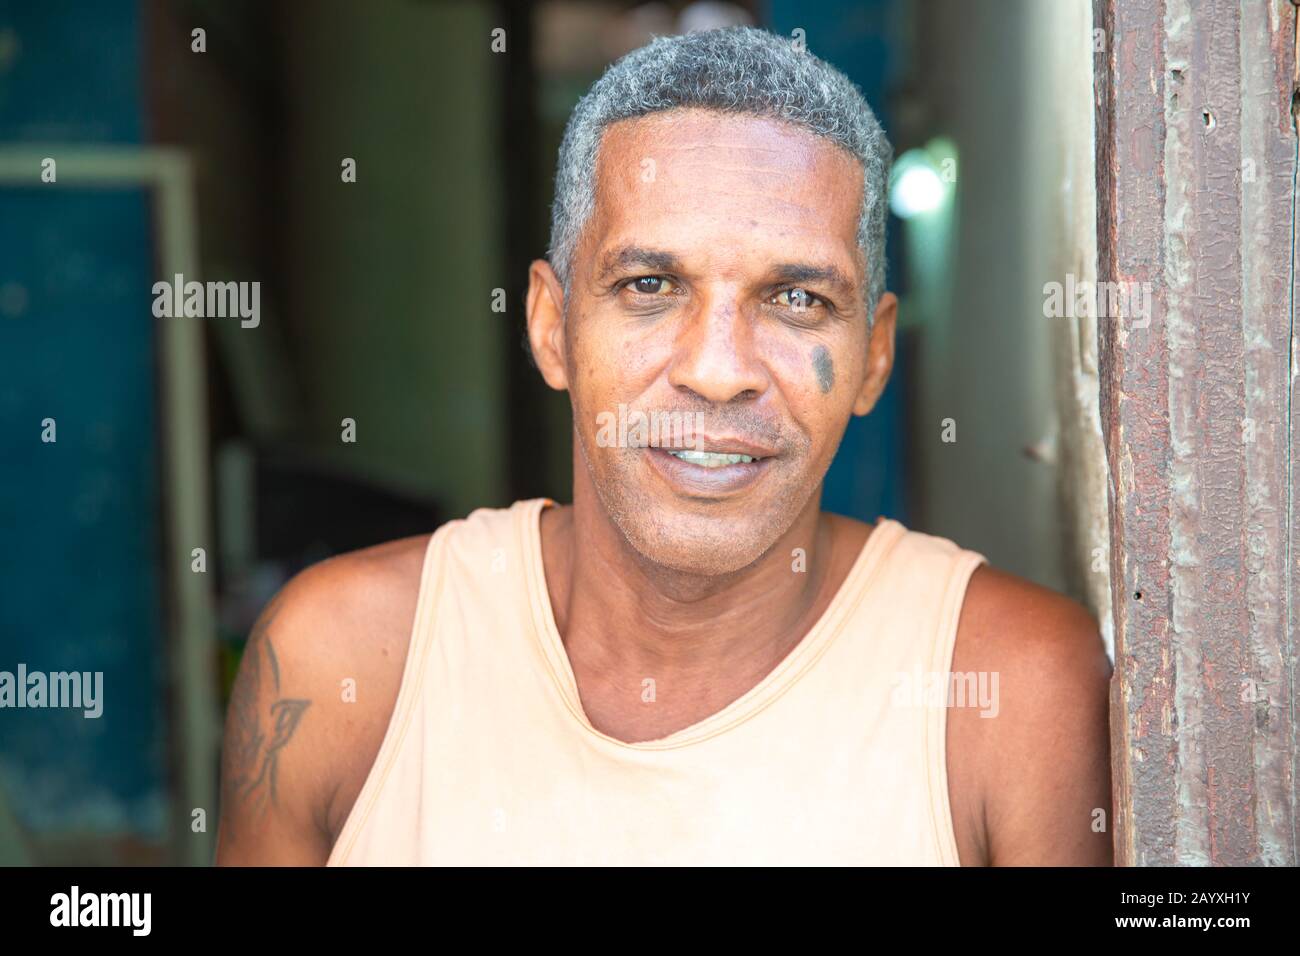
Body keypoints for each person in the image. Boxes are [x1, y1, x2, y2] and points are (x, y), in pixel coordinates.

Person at [216, 26, 1112, 866]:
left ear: (874, 356)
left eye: (797, 299)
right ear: (550, 326)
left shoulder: (1011, 691)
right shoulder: (344, 664)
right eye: (650, 284)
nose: (719, 370)